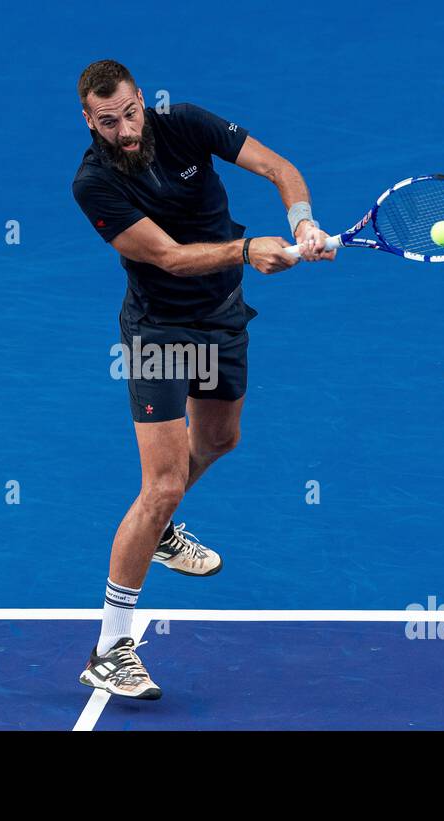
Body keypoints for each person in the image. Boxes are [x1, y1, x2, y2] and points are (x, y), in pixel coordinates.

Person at [71, 59, 334, 699]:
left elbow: (279, 167)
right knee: (161, 485)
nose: (125, 130)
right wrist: (249, 250)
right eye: (109, 122)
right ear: (90, 120)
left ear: (142, 101)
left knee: (219, 440)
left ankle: (158, 530)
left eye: (131, 113)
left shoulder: (185, 123)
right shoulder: (93, 183)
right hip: (160, 329)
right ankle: (109, 647)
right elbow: (167, 256)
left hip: (220, 317)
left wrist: (300, 220)